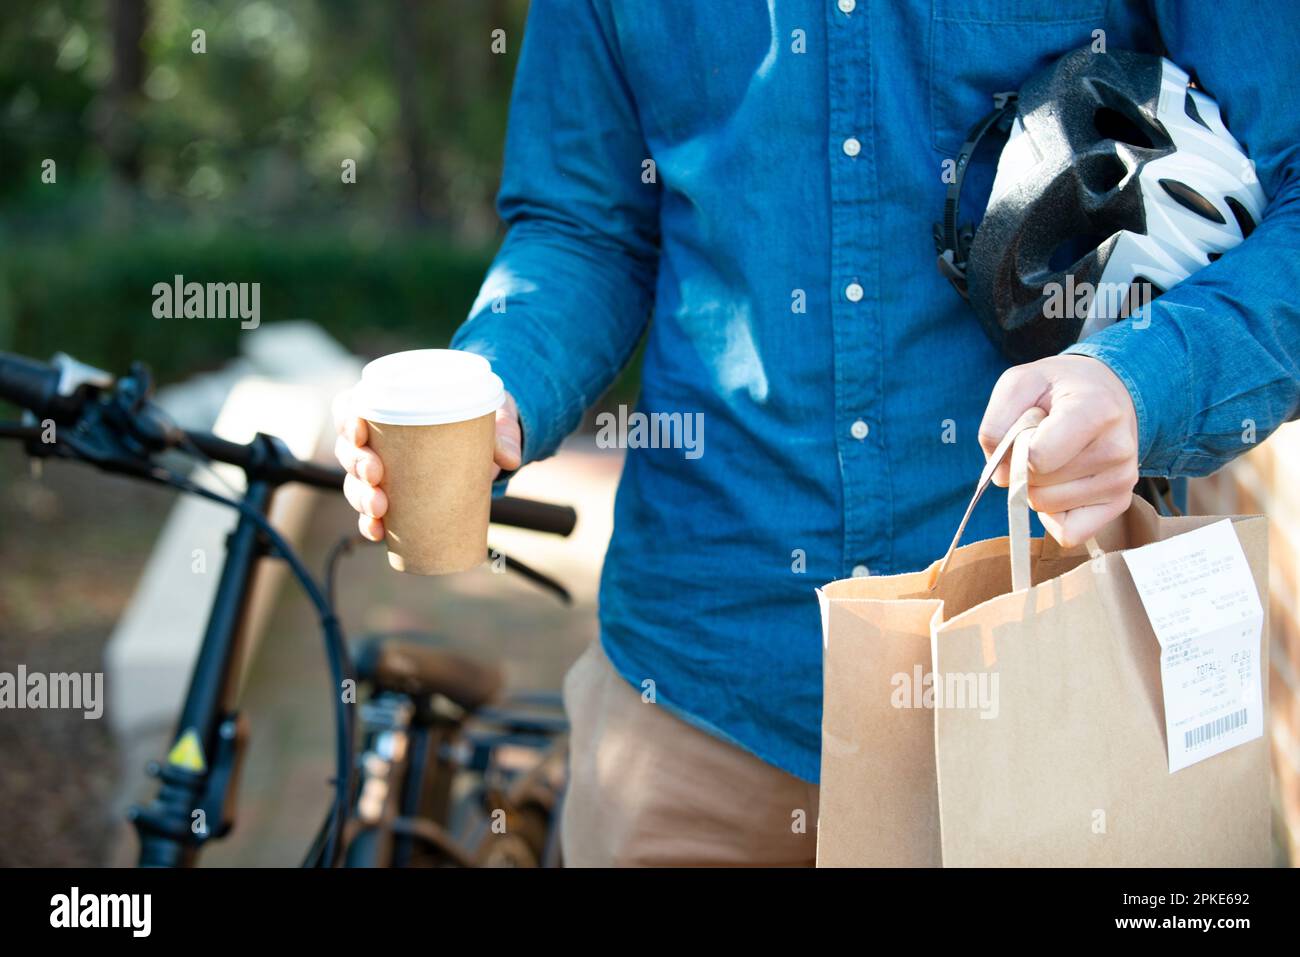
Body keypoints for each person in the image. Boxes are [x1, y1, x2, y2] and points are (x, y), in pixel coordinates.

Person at [334, 1, 1300, 866]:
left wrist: (1139, 384)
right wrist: (502, 381)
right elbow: (584, 225)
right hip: (698, 698)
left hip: (1040, 681)